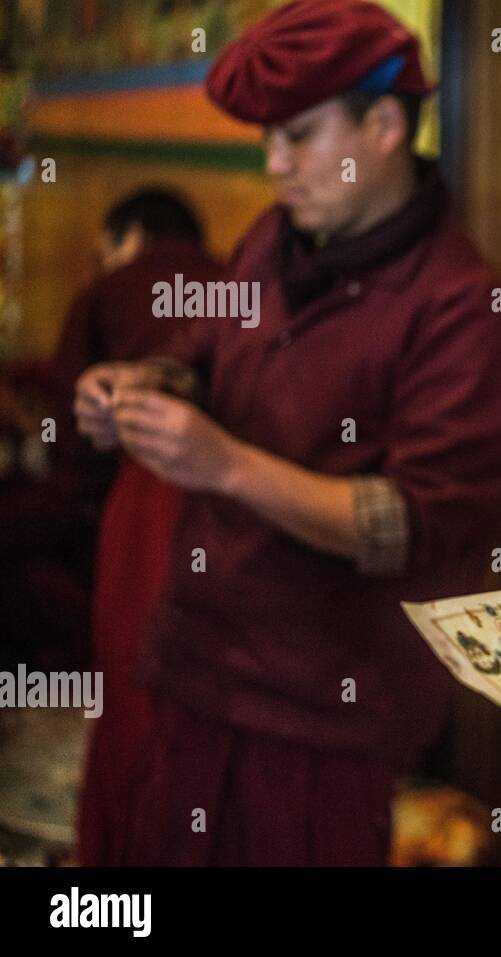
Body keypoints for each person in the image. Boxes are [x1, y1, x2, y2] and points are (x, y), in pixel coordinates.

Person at [74, 0, 501, 865]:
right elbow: (204, 349)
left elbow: (409, 524)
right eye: (267, 140)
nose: (275, 164)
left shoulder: (467, 311)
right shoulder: (269, 242)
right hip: (194, 661)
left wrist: (226, 466)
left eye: (299, 136)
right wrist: (141, 385)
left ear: (388, 124)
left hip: (322, 710)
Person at [63, 188, 225, 866]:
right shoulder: (233, 279)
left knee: (134, 696)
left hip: (155, 491)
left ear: (127, 237)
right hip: (236, 505)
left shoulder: (108, 289)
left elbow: (79, 457)